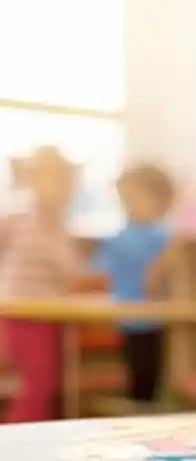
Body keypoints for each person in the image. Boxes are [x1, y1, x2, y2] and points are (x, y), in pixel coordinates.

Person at [0, 147, 84, 423]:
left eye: (63, 180)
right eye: (49, 178)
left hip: (49, 313)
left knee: (47, 385)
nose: (58, 187)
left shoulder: (61, 226)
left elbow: (68, 272)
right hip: (21, 311)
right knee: (38, 385)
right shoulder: (16, 220)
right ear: (32, 180)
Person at [82, 164, 176, 405]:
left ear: (161, 201)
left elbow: (168, 274)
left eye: (134, 197)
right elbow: (97, 274)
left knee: (154, 376)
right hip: (128, 319)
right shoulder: (120, 237)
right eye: (124, 198)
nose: (128, 204)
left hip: (158, 319)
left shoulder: (165, 237)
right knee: (138, 374)